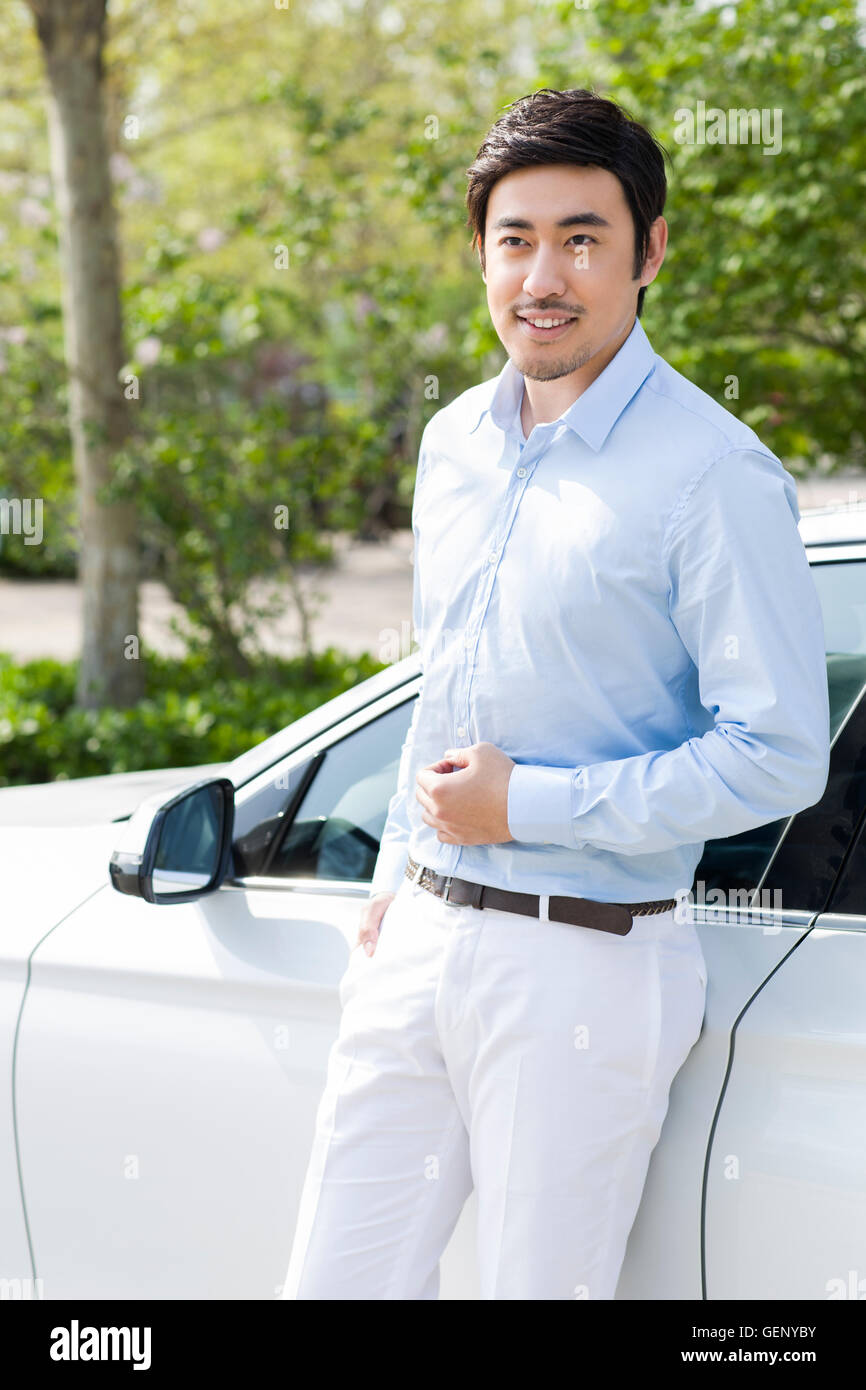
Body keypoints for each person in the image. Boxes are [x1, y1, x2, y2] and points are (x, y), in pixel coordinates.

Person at [281, 87, 830, 1301]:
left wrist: (524, 805)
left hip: (583, 962)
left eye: (582, 238)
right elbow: (445, 684)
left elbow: (779, 751)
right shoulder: (454, 445)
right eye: (515, 239)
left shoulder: (711, 475)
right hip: (419, 935)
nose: (544, 274)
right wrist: (390, 883)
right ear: (478, 253)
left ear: (650, 253)